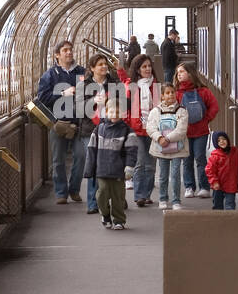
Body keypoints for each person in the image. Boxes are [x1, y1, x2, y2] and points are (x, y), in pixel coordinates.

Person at [36, 40, 87, 204]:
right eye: (65, 50)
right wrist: (63, 94)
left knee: (81, 156)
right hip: (59, 123)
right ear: (57, 54)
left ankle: (74, 189)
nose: (69, 52)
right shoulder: (50, 75)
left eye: (70, 50)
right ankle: (61, 192)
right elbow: (42, 98)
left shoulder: (81, 72)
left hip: (79, 122)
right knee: (58, 159)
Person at [83, 98, 139, 230]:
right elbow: (91, 150)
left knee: (118, 197)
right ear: (106, 112)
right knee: (101, 194)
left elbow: (132, 151)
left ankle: (119, 220)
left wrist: (129, 168)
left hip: (119, 171)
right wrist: (89, 168)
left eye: (118, 112)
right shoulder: (99, 129)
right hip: (102, 170)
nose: (115, 115)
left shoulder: (127, 131)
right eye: (112, 111)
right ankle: (105, 214)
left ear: (123, 114)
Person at [81, 52, 122, 214]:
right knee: (93, 164)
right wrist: (92, 102)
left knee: (113, 164)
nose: (104, 67)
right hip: (90, 130)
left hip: (111, 129)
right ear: (92, 68)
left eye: (105, 64)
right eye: (100, 64)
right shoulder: (84, 86)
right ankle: (93, 202)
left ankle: (116, 199)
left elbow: (123, 105)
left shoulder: (114, 83)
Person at [174, 63, 219, 197]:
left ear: (190, 73)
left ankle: (204, 187)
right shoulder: (177, 93)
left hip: (201, 131)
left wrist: (206, 119)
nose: (179, 74)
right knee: (187, 160)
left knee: (200, 158)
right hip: (184, 133)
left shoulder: (203, 91)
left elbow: (214, 106)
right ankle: (189, 187)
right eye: (178, 73)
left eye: (182, 71)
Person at [146, 83, 189, 211]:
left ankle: (176, 200)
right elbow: (150, 127)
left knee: (175, 174)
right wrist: (159, 138)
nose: (170, 95)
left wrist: (168, 139)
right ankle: (163, 198)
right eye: (167, 93)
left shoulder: (182, 111)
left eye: (172, 92)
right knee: (163, 175)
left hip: (177, 148)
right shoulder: (155, 111)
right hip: (161, 148)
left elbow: (182, 129)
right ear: (162, 96)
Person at [126, 52, 158, 207]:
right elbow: (126, 109)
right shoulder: (131, 87)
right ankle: (139, 195)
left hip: (153, 130)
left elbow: (160, 108)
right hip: (136, 129)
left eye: (149, 66)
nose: (147, 69)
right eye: (144, 66)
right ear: (137, 70)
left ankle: (146, 194)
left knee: (151, 164)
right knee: (140, 162)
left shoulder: (156, 86)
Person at [206, 129, 238, 210]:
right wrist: (214, 182)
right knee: (217, 205)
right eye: (218, 140)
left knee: (230, 205)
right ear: (216, 143)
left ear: (227, 140)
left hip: (231, 184)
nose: (222, 142)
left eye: (224, 139)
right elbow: (210, 170)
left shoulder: (235, 152)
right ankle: (218, 220)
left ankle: (229, 221)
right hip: (218, 185)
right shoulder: (215, 156)